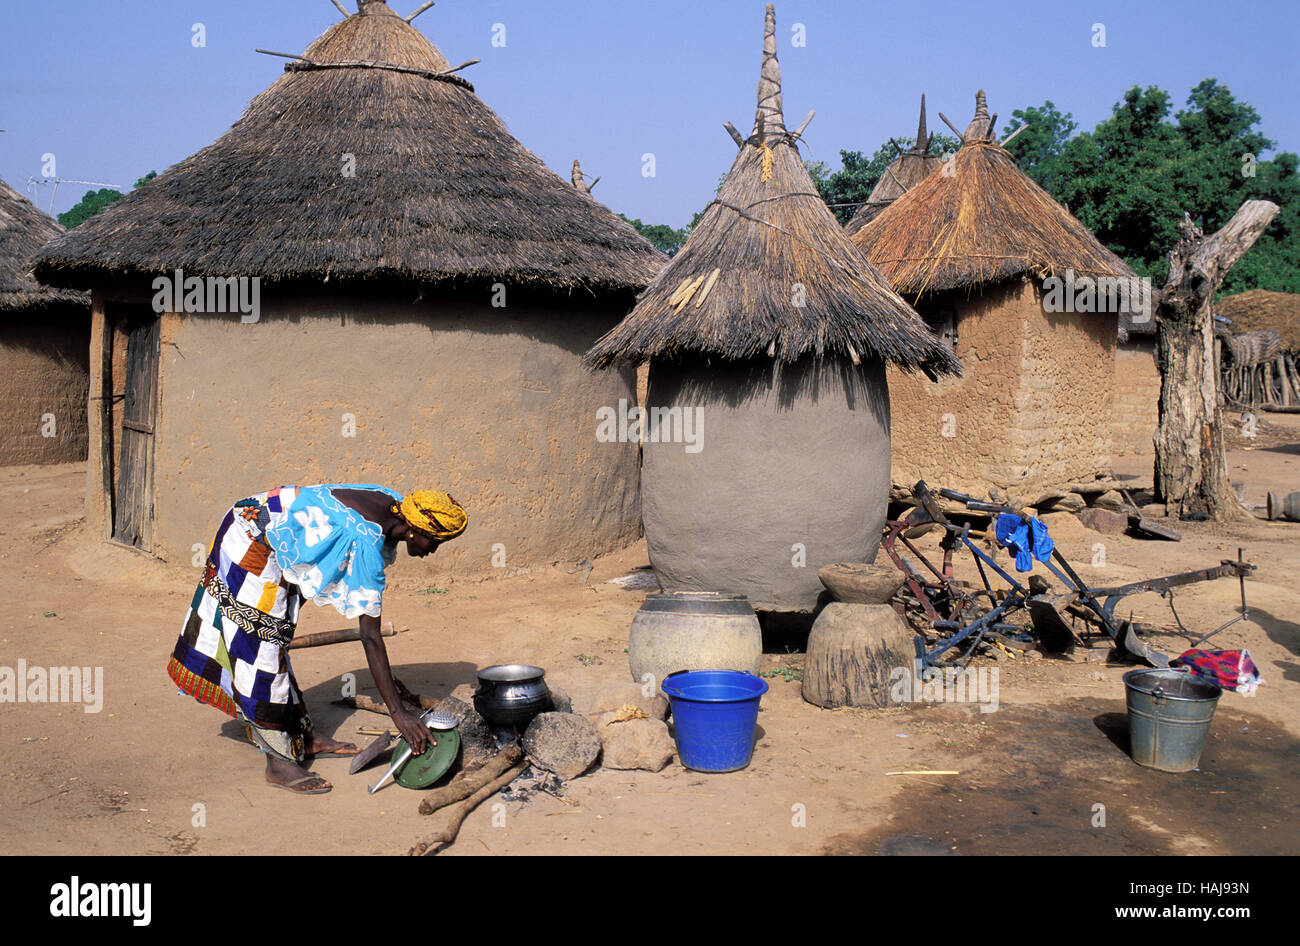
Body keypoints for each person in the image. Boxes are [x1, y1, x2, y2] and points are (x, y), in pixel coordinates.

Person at [166, 485, 467, 794]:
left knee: (276, 632)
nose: (433, 550)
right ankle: (278, 760)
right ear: (415, 530)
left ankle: (302, 737)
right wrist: (399, 714)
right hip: (251, 536)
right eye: (436, 541)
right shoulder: (366, 541)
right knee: (262, 649)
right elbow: (370, 637)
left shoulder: (392, 503)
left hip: (266, 522)